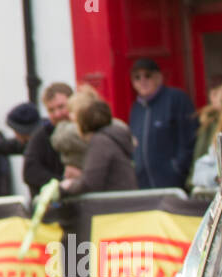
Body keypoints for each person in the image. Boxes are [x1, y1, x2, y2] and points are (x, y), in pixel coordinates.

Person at [127, 57, 196, 190]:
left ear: (158, 77)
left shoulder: (176, 99)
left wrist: (177, 168)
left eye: (147, 76)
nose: (142, 81)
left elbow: (188, 138)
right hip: (144, 185)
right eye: (137, 77)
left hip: (173, 184)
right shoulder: (136, 108)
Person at [59, 99, 138, 196]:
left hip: (117, 206)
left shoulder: (100, 142)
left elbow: (89, 184)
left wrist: (67, 186)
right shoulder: (110, 137)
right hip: (124, 202)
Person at [22, 82, 72, 196]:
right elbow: (30, 172)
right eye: (51, 110)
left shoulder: (87, 130)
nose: (57, 114)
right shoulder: (41, 136)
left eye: (61, 107)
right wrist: (63, 184)